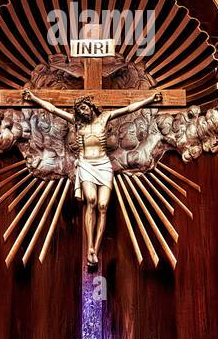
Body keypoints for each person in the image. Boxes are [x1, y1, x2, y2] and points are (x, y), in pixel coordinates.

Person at [21, 89, 161, 267]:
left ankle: (95, 246)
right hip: (86, 165)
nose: (82, 112)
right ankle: (89, 249)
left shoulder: (104, 118)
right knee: (92, 200)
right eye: (79, 110)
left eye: (85, 108)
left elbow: (128, 109)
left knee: (103, 206)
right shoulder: (78, 125)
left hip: (103, 165)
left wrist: (149, 100)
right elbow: (53, 110)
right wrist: (33, 98)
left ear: (91, 106)